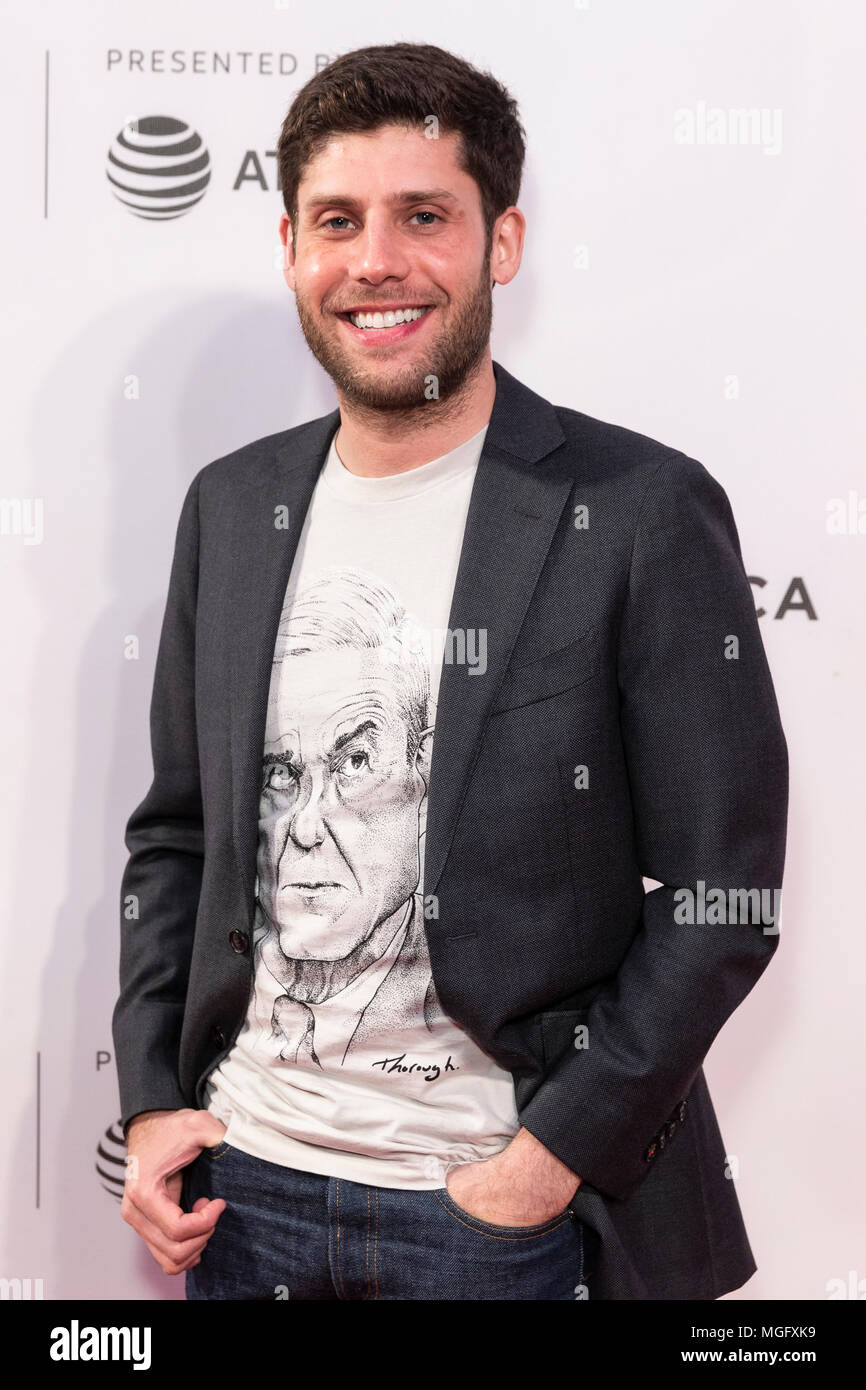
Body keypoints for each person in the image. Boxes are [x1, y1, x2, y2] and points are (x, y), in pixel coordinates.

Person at [113, 41, 788, 1301]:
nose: (375, 261)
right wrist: (153, 1101)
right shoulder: (231, 505)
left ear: (501, 242)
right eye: (337, 221)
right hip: (240, 1195)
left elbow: (722, 893)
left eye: (423, 215)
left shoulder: (636, 509)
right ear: (291, 251)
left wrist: (543, 1163)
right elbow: (179, 838)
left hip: (498, 1217)